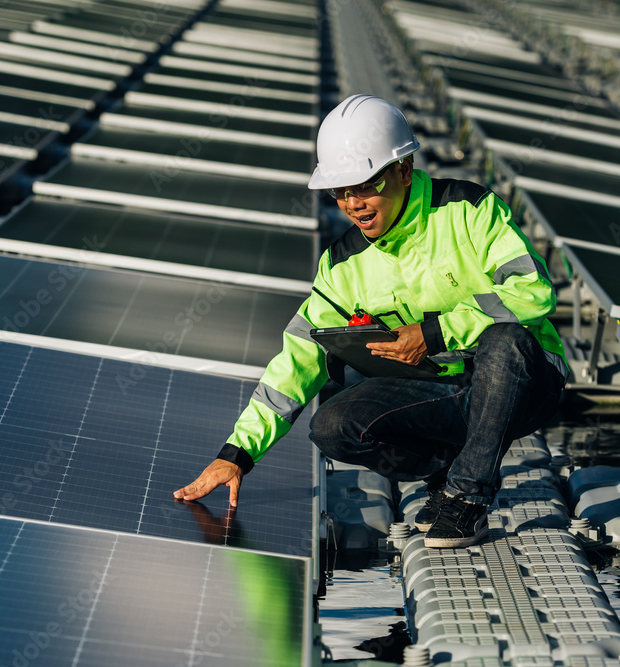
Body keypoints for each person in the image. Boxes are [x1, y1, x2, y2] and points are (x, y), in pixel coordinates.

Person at [174, 94, 569, 548]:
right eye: (340, 192)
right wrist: (237, 454)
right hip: (444, 392)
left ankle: (467, 499)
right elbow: (300, 355)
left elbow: (532, 291)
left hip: (525, 384)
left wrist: (435, 332)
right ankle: (449, 470)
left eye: (363, 185)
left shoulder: (468, 209)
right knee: (332, 425)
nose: (352, 203)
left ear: (403, 170)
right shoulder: (343, 265)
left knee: (506, 342)